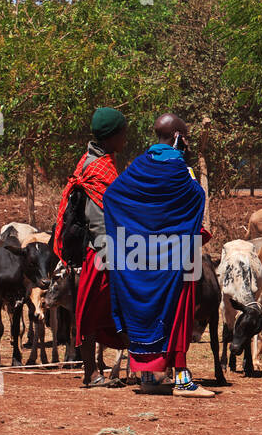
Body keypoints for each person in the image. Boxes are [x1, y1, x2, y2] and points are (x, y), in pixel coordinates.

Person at [101, 113, 215, 398]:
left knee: (151, 314)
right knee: (179, 315)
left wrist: (131, 237)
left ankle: (150, 378)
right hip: (178, 257)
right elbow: (197, 198)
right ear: (177, 137)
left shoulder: (138, 165)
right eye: (186, 137)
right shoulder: (179, 168)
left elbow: (112, 196)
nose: (187, 142)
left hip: (139, 256)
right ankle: (182, 380)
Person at [53, 106, 128, 387]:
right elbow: (99, 220)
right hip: (101, 255)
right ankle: (91, 373)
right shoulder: (98, 169)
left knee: (96, 315)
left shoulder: (93, 161)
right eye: (122, 134)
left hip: (101, 253)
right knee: (94, 316)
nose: (125, 140)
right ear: (110, 137)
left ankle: (96, 371)